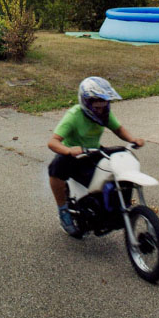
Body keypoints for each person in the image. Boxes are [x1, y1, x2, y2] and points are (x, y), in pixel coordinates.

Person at [47, 76, 145, 236]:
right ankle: (63, 211)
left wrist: (132, 139)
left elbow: (118, 129)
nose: (100, 110)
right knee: (55, 168)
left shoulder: (104, 114)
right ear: (86, 102)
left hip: (93, 152)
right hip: (74, 156)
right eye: (96, 106)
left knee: (116, 171)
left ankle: (115, 210)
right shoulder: (74, 115)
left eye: (103, 105)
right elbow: (53, 142)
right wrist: (69, 150)